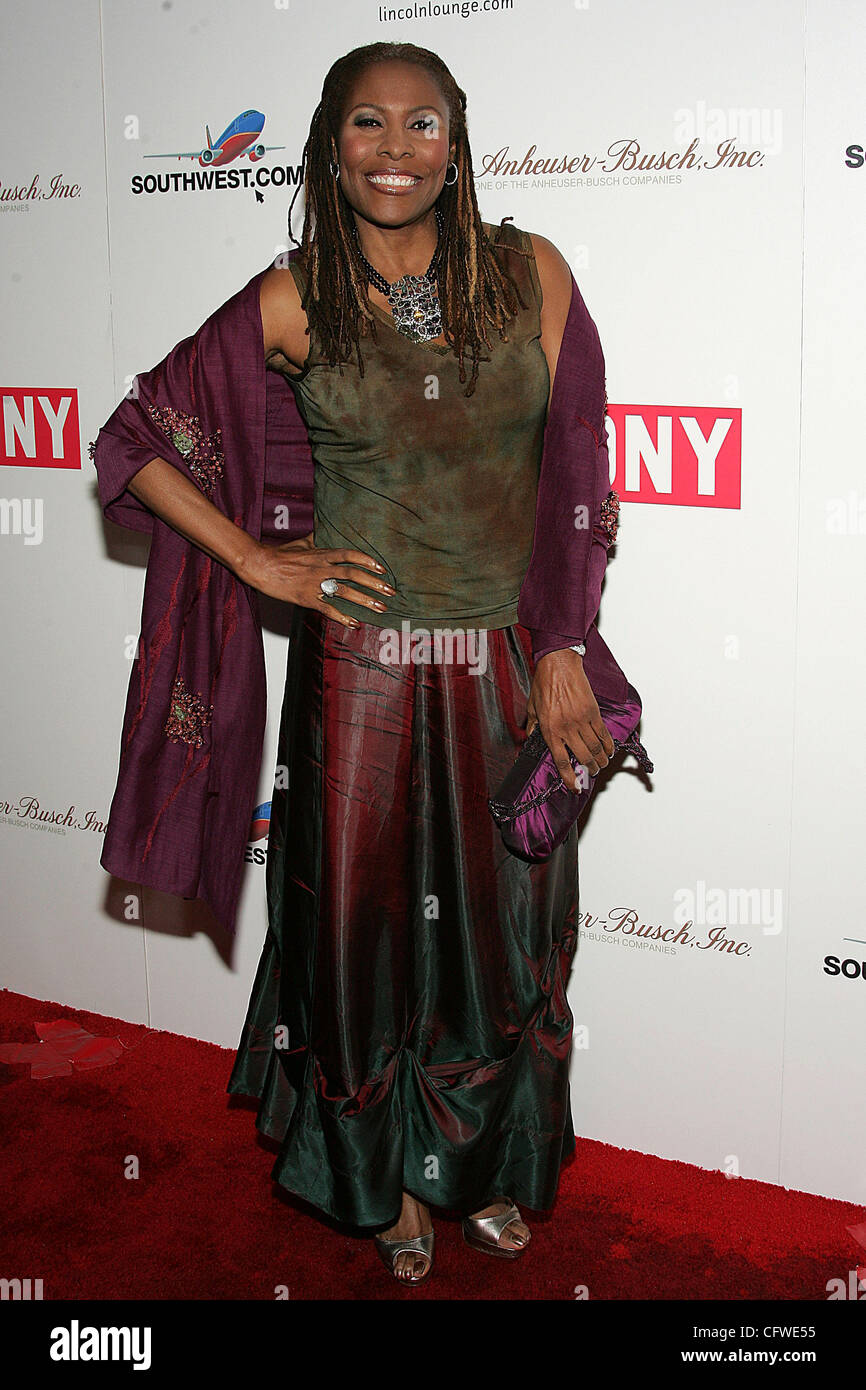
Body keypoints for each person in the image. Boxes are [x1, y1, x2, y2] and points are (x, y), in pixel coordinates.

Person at [122, 41, 617, 1286]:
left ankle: (491, 1159)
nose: (393, 150)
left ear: (454, 140)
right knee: (363, 935)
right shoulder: (298, 298)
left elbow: (576, 475)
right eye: (365, 125)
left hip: (506, 663)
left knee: (506, 931)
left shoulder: (531, 273)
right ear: (327, 144)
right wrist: (254, 558)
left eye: (419, 123)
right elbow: (135, 437)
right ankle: (387, 1176)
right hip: (366, 679)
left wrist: (560, 645)